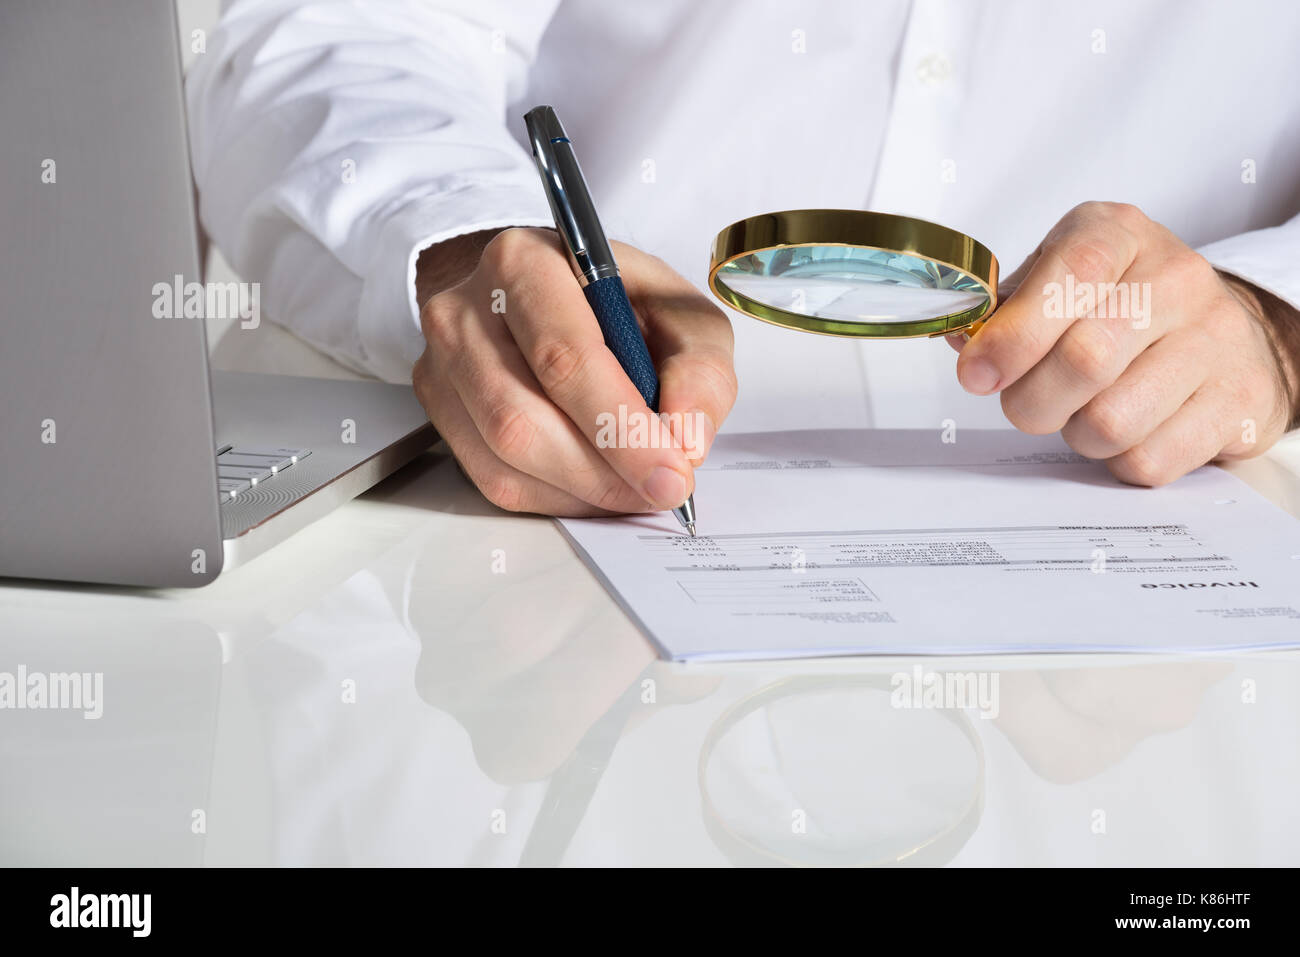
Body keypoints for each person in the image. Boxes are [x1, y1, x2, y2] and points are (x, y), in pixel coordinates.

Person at [187, 0, 1300, 517]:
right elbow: (348, 26)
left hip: (1190, 521)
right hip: (567, 452)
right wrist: (467, 245)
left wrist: (1274, 318)